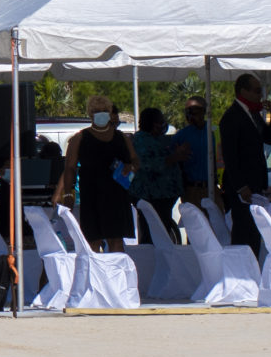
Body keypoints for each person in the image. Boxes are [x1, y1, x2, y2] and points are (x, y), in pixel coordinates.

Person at [60, 100, 139, 247]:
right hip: (92, 195)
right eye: (97, 111)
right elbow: (70, 168)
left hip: (117, 195)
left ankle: (116, 270)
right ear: (90, 114)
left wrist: (131, 167)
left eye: (104, 110)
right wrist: (68, 194)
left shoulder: (122, 137)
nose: (101, 114)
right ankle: (95, 270)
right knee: (92, 240)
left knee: (116, 240)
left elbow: (135, 160)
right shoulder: (80, 138)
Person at [219, 74, 271, 250]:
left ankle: (253, 271)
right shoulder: (231, 117)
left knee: (254, 231)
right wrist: (241, 186)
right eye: (258, 91)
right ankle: (241, 270)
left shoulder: (254, 114)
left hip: (256, 184)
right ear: (244, 91)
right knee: (243, 230)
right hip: (242, 186)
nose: (261, 95)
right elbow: (230, 156)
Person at [127, 106, 181, 221]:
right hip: (152, 197)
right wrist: (175, 157)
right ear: (151, 123)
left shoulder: (157, 139)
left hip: (164, 196)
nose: (162, 125)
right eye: (160, 122)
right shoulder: (141, 141)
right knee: (153, 232)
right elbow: (151, 164)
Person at [171, 97, 212, 211]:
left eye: (194, 110)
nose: (190, 114)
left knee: (216, 223)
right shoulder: (181, 135)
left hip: (212, 188)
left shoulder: (213, 131)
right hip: (191, 190)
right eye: (187, 111)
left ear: (204, 111)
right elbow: (169, 159)